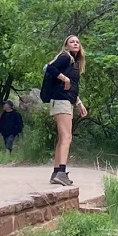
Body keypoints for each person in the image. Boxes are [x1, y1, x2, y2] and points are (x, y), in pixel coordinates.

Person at [41, 35, 86, 188]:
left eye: (78, 42)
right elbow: (48, 68)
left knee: (62, 138)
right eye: (72, 42)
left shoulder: (73, 62)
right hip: (61, 100)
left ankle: (56, 173)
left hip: (65, 101)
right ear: (66, 46)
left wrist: (79, 103)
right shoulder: (65, 57)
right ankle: (61, 172)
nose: (76, 44)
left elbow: (72, 86)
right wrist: (65, 79)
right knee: (67, 137)